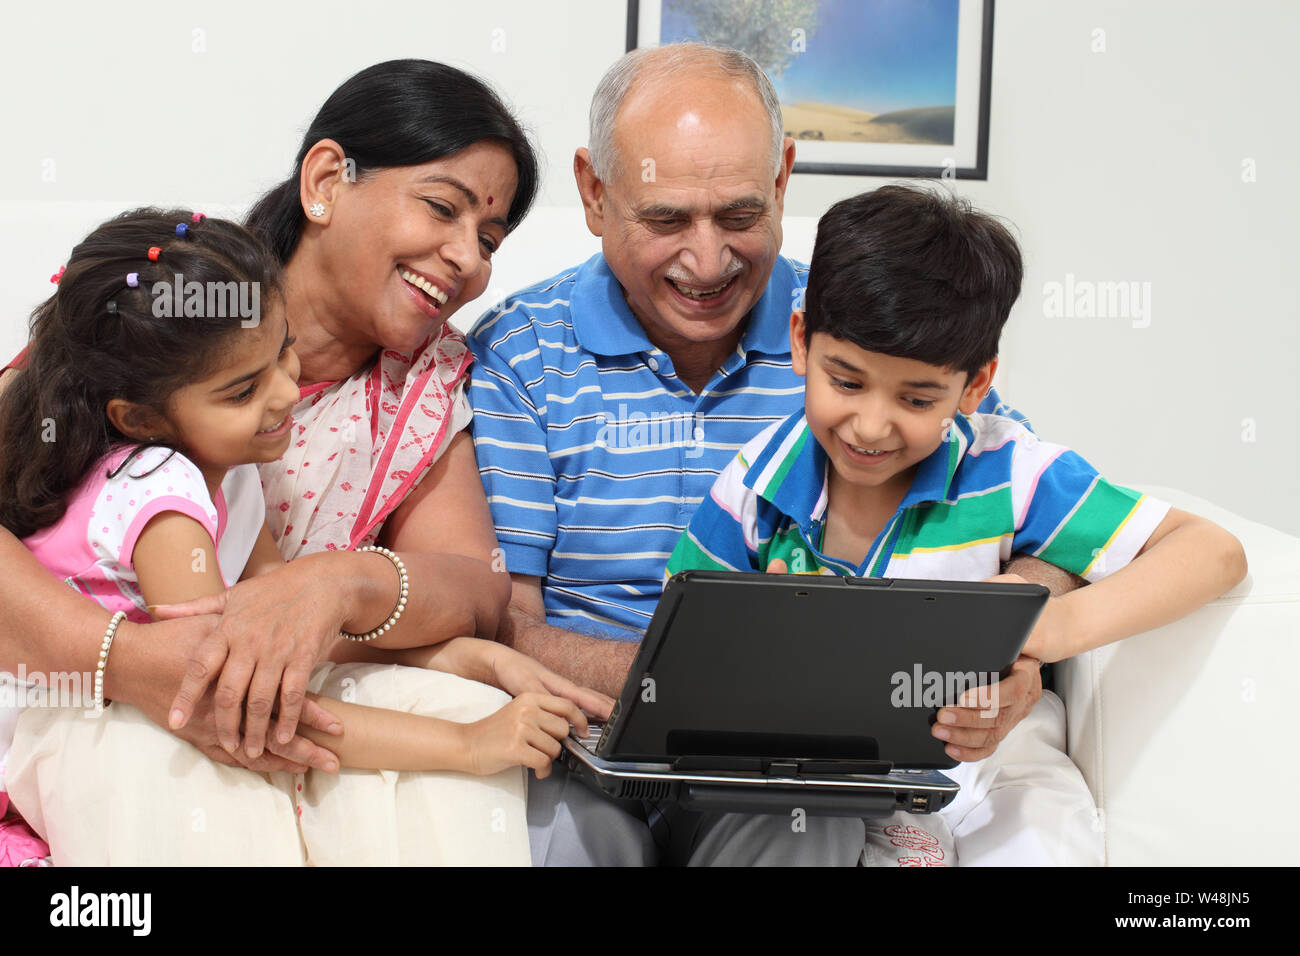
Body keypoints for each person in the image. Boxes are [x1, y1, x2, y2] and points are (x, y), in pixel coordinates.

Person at [468, 43, 1071, 865]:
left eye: (741, 216)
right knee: (575, 841)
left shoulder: (857, 333)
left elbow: (1039, 512)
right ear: (595, 192)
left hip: (789, 764)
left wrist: (1011, 649)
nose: (708, 261)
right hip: (587, 739)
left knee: (807, 826)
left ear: (784, 180)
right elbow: (505, 617)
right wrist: (692, 680)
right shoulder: (522, 353)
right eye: (667, 219)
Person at [0, 60, 607, 865]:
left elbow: (471, 584)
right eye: (441, 207)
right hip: (88, 700)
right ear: (326, 180)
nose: (468, 257)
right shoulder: (173, 308)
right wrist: (124, 660)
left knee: (456, 707)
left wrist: (338, 586)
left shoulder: (423, 386)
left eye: (489, 240)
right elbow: (209, 670)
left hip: (274, 679)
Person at [665, 184, 1248, 865]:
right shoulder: (756, 485)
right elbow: (682, 656)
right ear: (801, 343)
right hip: (825, 775)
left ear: (975, 386)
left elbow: (1212, 552)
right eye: (846, 381)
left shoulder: (1012, 473)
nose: (871, 425)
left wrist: (1049, 628)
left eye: (917, 398)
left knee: (1043, 836)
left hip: (992, 770)